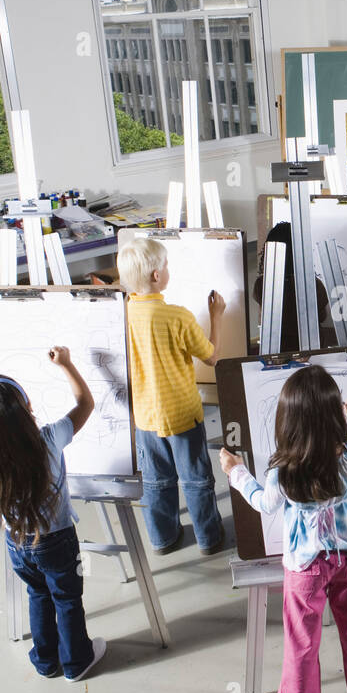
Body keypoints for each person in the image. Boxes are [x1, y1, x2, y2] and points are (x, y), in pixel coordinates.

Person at [220, 365, 347, 693]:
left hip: (305, 568)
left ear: (288, 422)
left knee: (302, 645)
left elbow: (264, 504)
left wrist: (236, 471)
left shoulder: (283, 472)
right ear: (335, 417)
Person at [0, 353, 106, 682]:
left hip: (17, 545)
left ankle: (45, 662)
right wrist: (66, 365)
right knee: (67, 598)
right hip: (57, 540)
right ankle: (76, 663)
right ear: (26, 409)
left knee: (38, 594)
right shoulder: (50, 437)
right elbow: (85, 403)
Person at [117, 237, 226, 556]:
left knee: (155, 483)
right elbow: (211, 357)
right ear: (155, 275)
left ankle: (162, 539)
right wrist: (216, 315)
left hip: (146, 418)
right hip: (182, 414)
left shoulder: (121, 314)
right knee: (196, 481)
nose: (168, 270)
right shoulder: (177, 316)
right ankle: (208, 538)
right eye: (165, 266)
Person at [252, 223, 334, 351]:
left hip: (276, 351)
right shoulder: (314, 284)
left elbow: (263, 319)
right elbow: (322, 316)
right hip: (311, 351)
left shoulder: (263, 284)